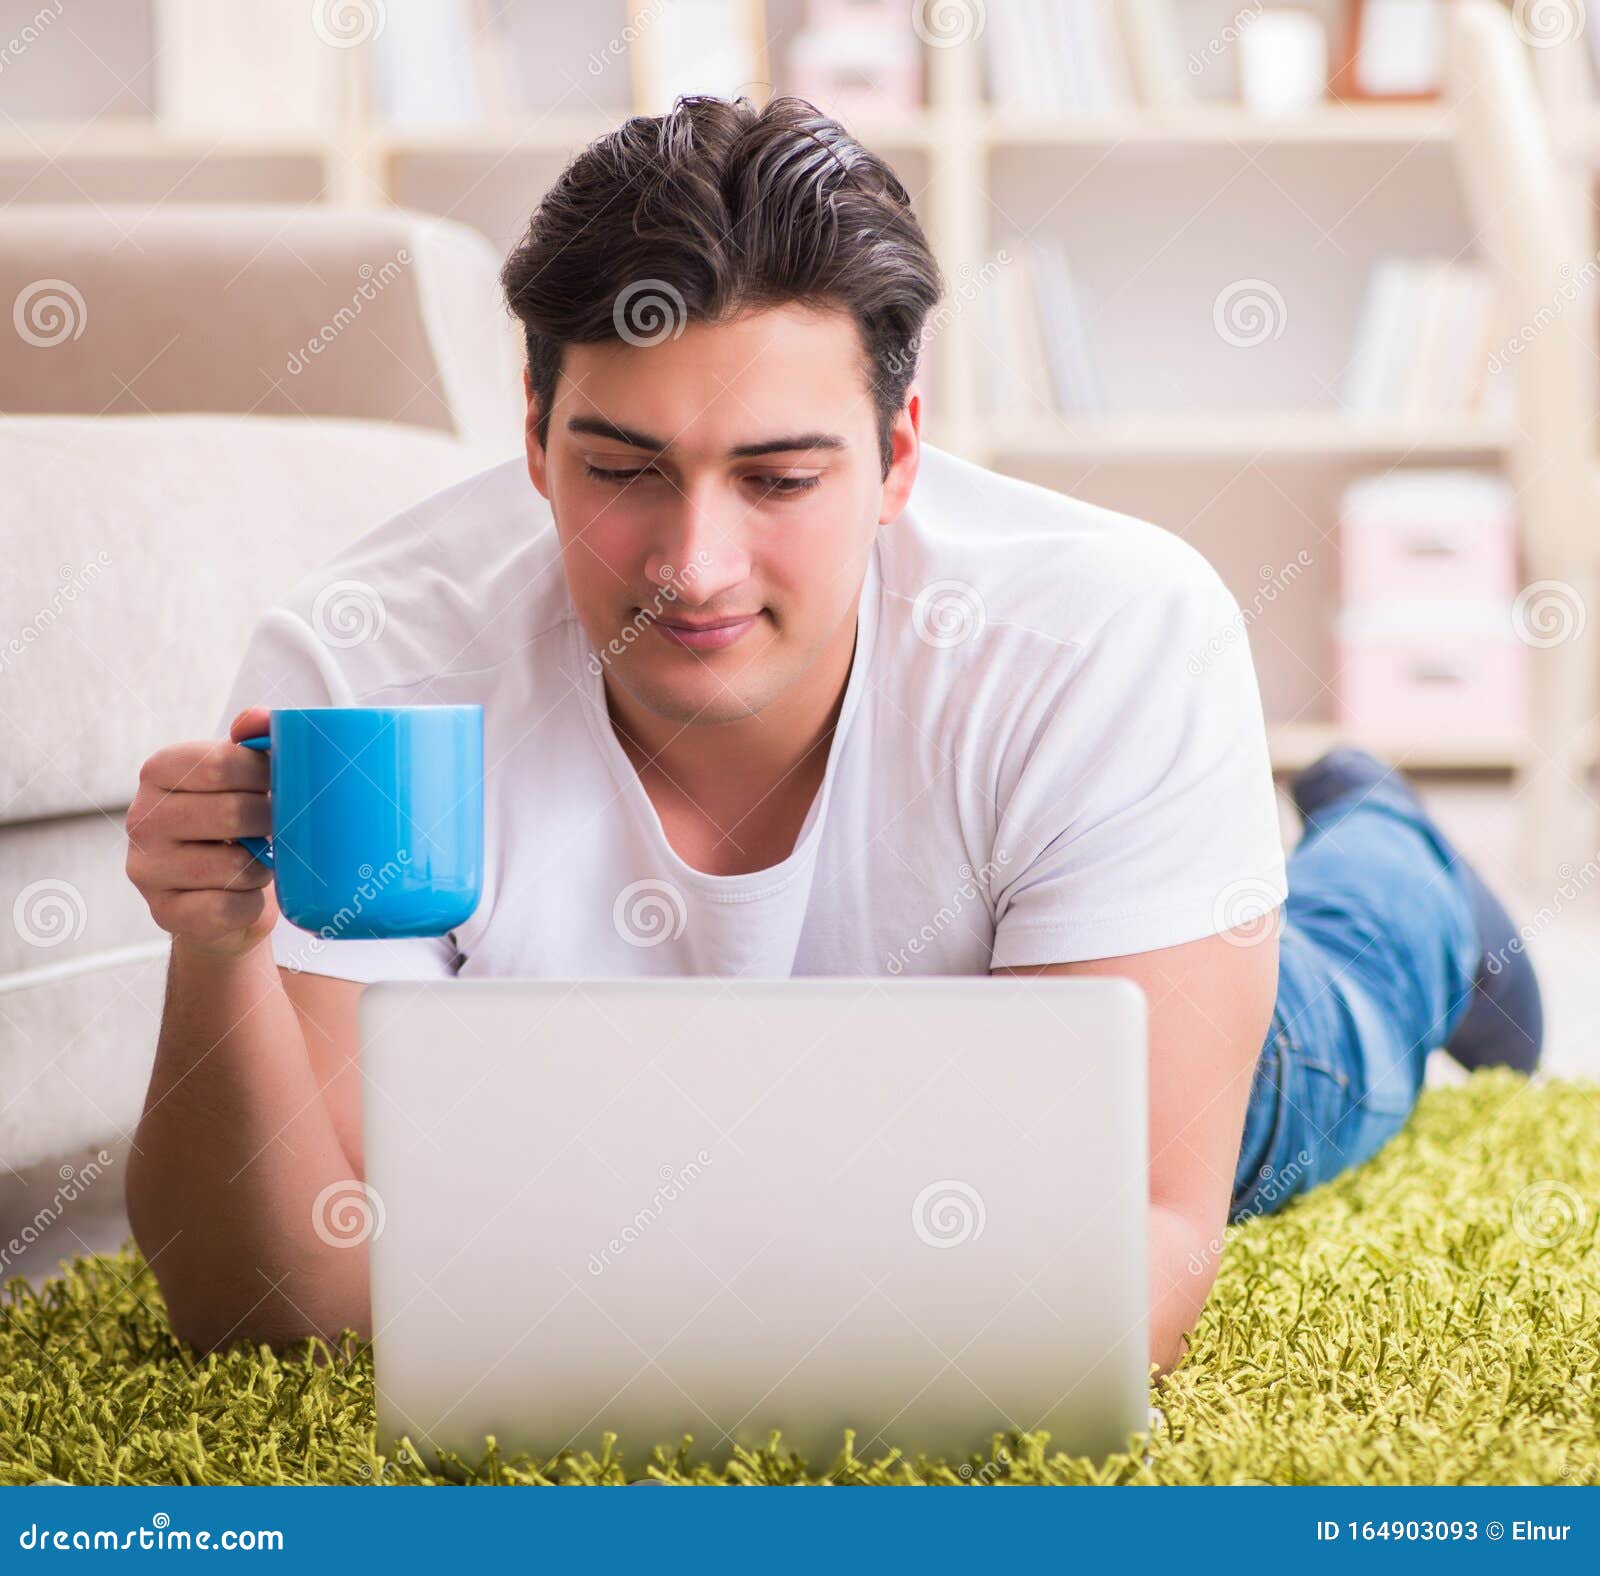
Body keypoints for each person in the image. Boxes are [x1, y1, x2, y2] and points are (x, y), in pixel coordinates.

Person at [122, 95, 1542, 1377]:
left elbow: (1126, 1274)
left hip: (1077, 972)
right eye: (622, 469)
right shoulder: (366, 669)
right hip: (906, 1146)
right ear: (537, 436)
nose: (695, 565)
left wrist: (546, 1283)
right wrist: (221, 947)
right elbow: (277, 1294)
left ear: (899, 455)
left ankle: (1401, 863)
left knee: (1317, 1047)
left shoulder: (1107, 633)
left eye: (777, 476)